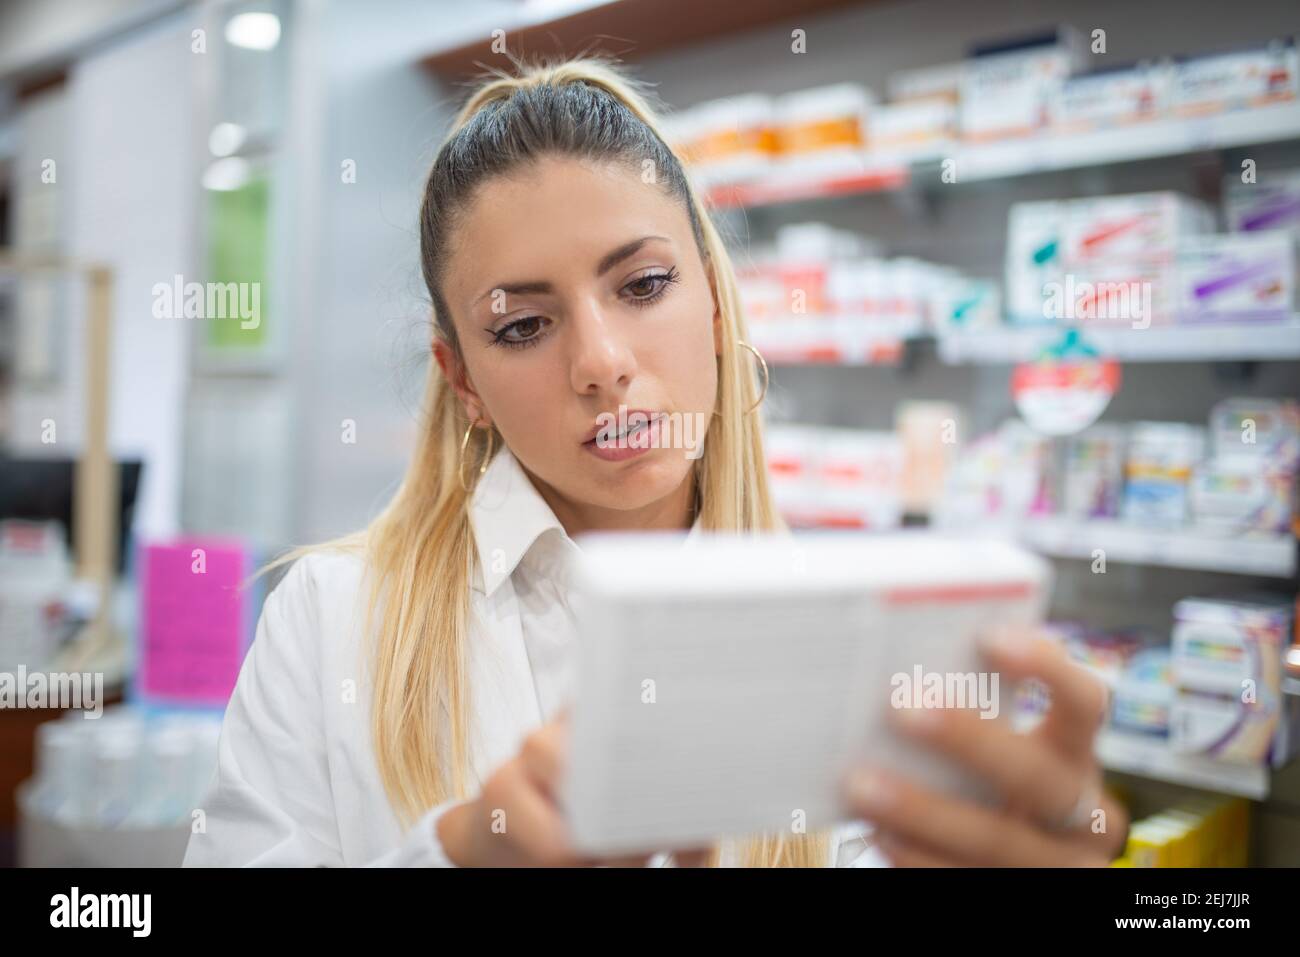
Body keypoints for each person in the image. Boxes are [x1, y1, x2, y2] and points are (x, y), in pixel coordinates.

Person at [182, 57, 1126, 868]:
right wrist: (457, 852)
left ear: (715, 303)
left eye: (643, 285)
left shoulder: (853, 635)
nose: (600, 361)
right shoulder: (330, 619)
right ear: (462, 377)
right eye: (522, 326)